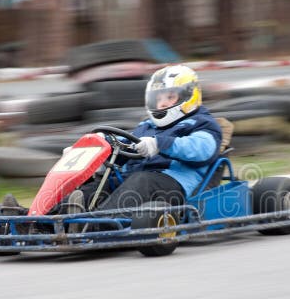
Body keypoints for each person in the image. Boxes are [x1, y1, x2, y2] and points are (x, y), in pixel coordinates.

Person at [67, 64, 223, 213]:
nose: (162, 104)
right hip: (134, 180)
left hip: (173, 183)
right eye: (158, 99)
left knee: (142, 181)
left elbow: (201, 149)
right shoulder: (147, 126)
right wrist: (97, 146)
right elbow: (127, 145)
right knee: (99, 185)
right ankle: (57, 219)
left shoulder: (202, 123)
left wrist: (159, 144)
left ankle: (96, 225)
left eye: (170, 97)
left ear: (189, 95)